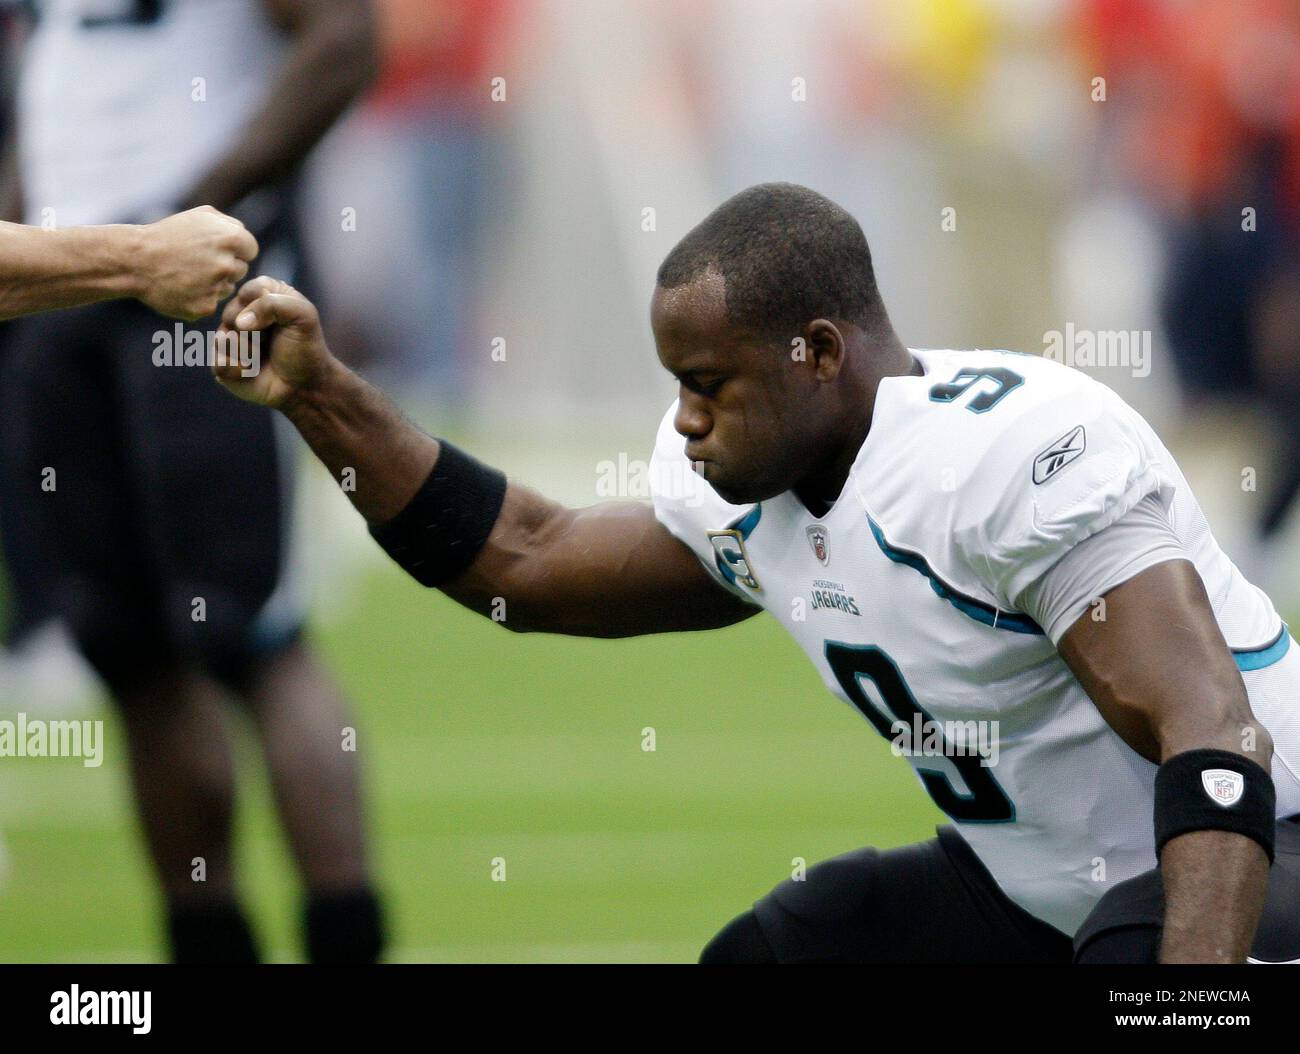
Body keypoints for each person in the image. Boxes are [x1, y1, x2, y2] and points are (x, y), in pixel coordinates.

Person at [214, 184, 1300, 964]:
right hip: (1033, 887)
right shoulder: (757, 492)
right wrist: (321, 393)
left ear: (818, 354)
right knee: (778, 953)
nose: (683, 421)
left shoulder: (1008, 460)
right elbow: (522, 560)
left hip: (1254, 852)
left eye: (707, 383)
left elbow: (1209, 728)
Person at [0, 0, 382, 962]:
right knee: (119, 644)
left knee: (250, 630)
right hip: (67, 286)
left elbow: (344, 39)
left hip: (200, 287)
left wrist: (197, 210)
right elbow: (63, 79)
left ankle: (343, 935)